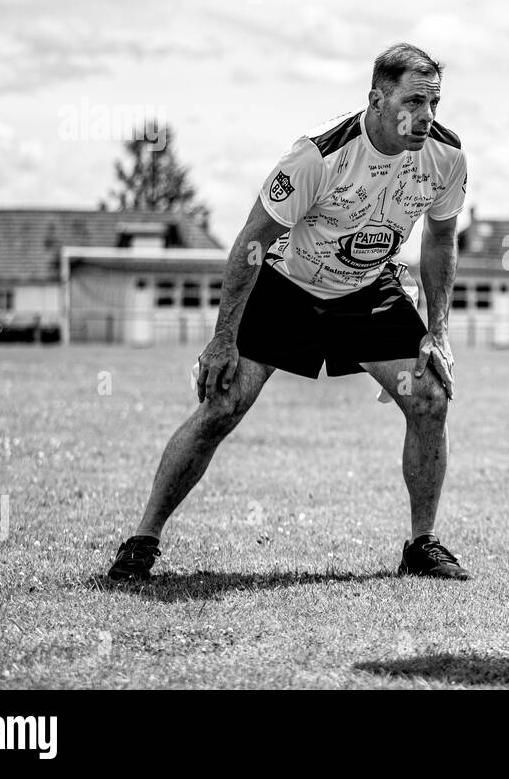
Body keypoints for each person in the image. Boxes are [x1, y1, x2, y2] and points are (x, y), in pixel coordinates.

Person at [108, 43, 472, 582]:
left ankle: (422, 544)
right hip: (288, 285)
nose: (426, 117)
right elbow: (252, 240)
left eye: (434, 103)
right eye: (414, 102)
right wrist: (223, 339)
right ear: (376, 99)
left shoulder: (445, 156)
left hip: (368, 288)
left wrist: (436, 332)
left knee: (431, 399)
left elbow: (441, 238)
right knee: (222, 407)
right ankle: (142, 540)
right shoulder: (317, 155)